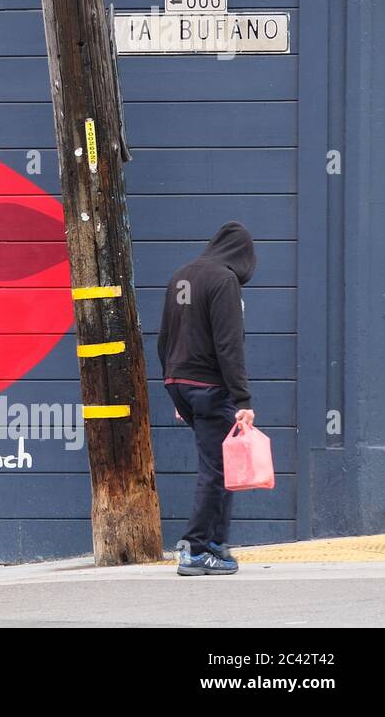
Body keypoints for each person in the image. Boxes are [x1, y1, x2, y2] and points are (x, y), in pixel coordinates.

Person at [157, 221, 257, 576]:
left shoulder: (181, 275)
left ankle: (216, 544)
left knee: (223, 465)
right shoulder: (223, 280)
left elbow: (164, 335)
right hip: (210, 387)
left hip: (179, 381)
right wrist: (243, 399)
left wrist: (173, 385)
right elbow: (229, 345)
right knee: (215, 470)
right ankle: (194, 548)